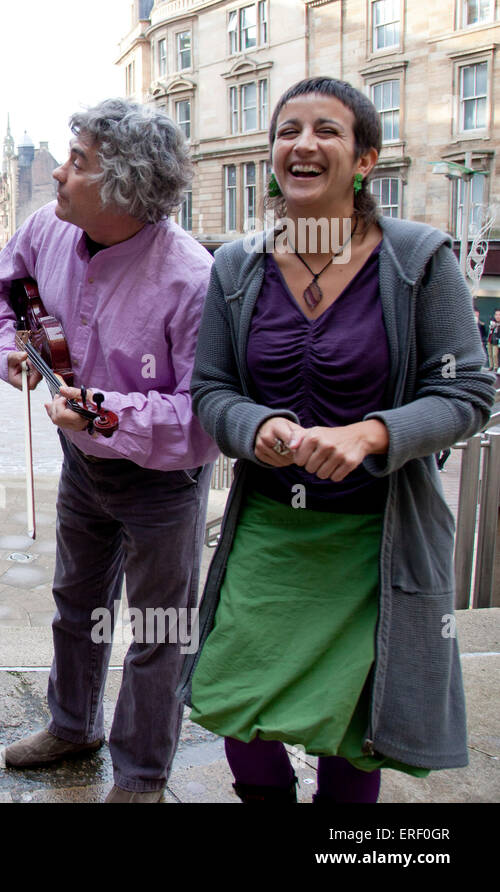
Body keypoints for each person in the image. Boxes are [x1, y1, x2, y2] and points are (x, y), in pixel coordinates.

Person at [187, 77, 493, 802]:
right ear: (272, 156)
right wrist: (254, 425)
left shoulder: (419, 261)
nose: (303, 143)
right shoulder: (236, 268)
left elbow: (469, 394)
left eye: (327, 130)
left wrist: (373, 433)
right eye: (288, 130)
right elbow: (210, 392)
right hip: (270, 535)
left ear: (365, 160)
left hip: (376, 541)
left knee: (355, 734)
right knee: (236, 705)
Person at [0, 98, 218, 803]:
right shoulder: (48, 225)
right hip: (83, 464)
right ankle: (73, 725)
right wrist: (8, 347)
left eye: (76, 163)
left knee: (159, 630)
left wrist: (105, 414)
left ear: (125, 187)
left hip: (164, 482)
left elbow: (201, 419)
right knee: (74, 600)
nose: (56, 172)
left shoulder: (192, 279)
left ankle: (141, 774)